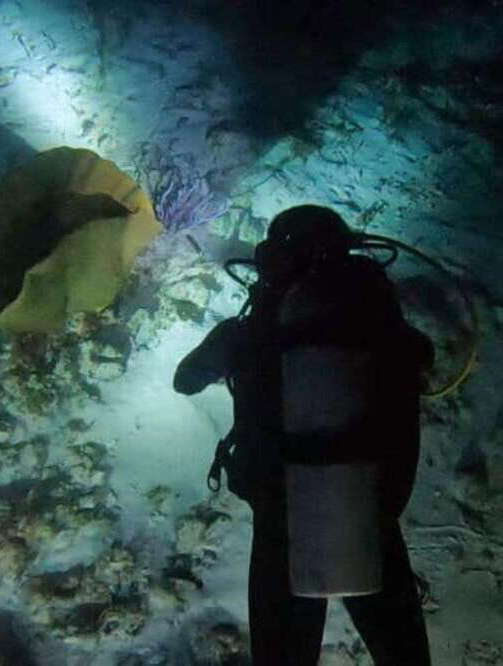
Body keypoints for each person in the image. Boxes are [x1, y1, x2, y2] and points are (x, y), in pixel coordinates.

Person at [173, 205, 433, 665]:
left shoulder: (245, 334)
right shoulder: (379, 326)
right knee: (405, 656)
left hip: (280, 517)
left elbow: (186, 379)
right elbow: (420, 360)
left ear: (272, 260)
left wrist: (237, 351)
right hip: (368, 510)